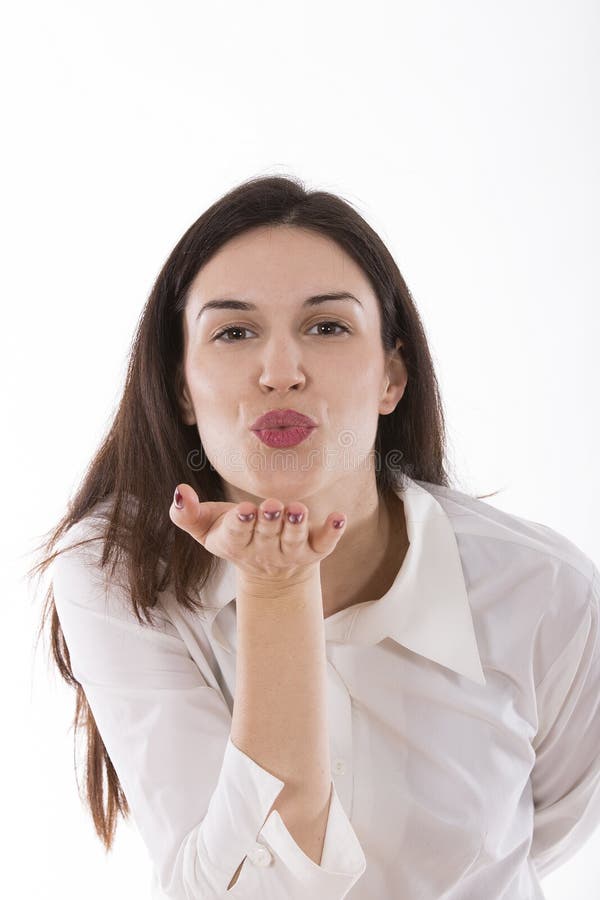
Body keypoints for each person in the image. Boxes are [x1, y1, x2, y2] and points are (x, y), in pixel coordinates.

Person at [31, 174, 600, 899]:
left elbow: (546, 832)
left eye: (326, 327)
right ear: (179, 387)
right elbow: (232, 889)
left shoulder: (544, 588)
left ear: (392, 375)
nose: (280, 373)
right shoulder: (116, 572)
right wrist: (276, 589)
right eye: (234, 332)